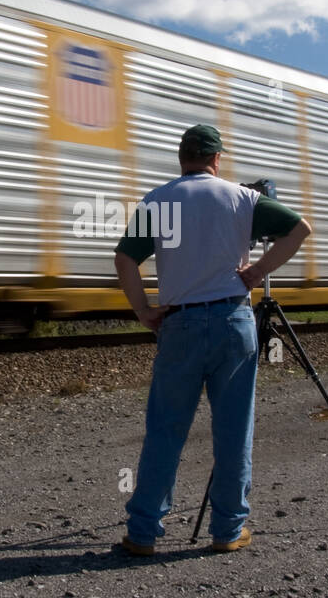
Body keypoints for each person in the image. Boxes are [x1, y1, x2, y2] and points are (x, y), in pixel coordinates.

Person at [113, 123, 311, 555]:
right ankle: (227, 531)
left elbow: (125, 259)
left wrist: (144, 311)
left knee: (166, 431)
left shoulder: (160, 199)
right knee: (233, 430)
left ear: (181, 159)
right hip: (232, 322)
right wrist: (257, 272)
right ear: (217, 159)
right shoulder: (243, 197)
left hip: (179, 325)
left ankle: (143, 533)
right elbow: (299, 228)